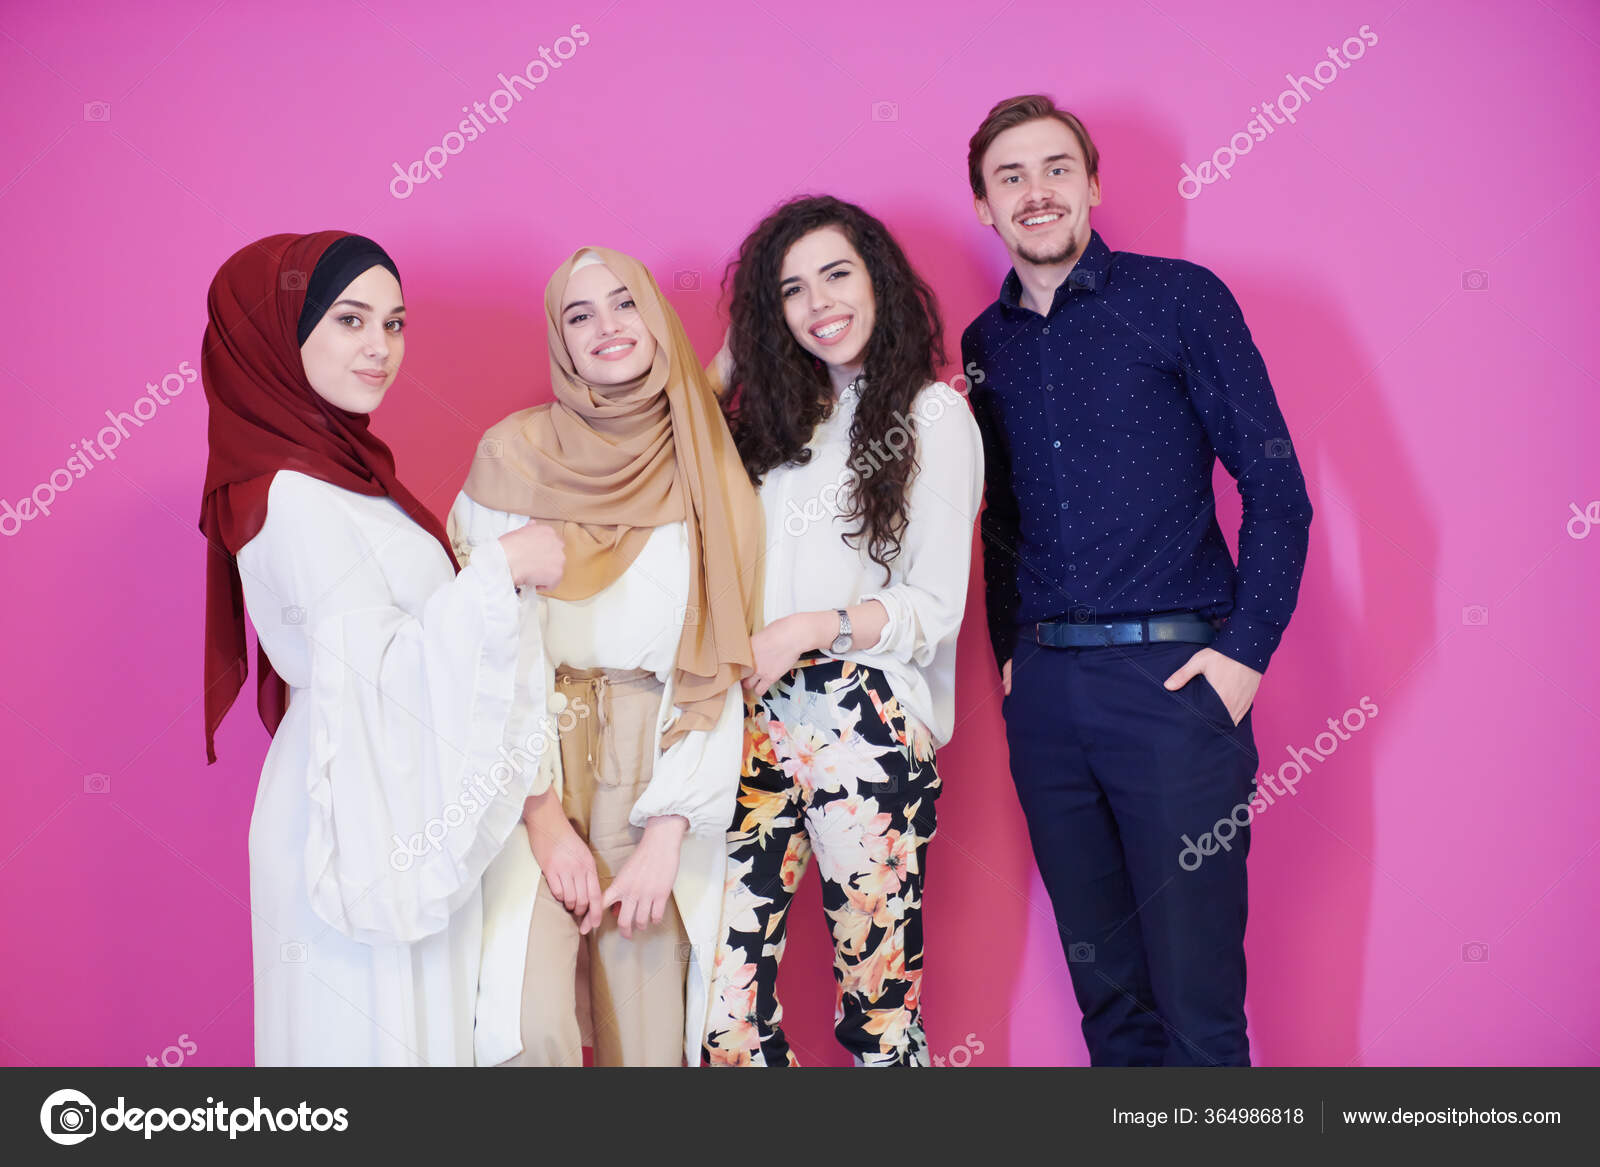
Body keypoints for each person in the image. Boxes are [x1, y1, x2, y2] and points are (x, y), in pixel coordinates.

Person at [961, 95, 1315, 1066]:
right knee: (1111, 1014)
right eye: (1010, 177)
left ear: (1092, 185)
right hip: (1046, 700)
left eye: (1055, 169)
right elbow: (1001, 523)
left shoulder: (1180, 298)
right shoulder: (981, 347)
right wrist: (1008, 662)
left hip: (1174, 689)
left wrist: (1241, 659)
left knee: (1199, 1017)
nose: (1037, 193)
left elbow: (1277, 491)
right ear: (984, 208)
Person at [199, 231, 565, 1065]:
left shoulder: (345, 475)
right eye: (350, 319)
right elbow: (362, 663)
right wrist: (501, 568)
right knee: (361, 1041)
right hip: (351, 807)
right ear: (277, 338)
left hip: (398, 791)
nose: (380, 347)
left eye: (395, 323)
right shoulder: (284, 492)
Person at [454, 246, 764, 1067]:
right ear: (558, 339)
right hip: (531, 761)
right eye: (578, 314)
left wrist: (667, 833)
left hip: (656, 761)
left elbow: (717, 656)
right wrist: (545, 819)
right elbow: (481, 650)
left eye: (625, 304)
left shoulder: (705, 460)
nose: (606, 327)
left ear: (657, 317)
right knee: (528, 1025)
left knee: (650, 1031)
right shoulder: (511, 455)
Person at [701, 196, 983, 1066]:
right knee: (720, 1013)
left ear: (878, 280)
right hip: (747, 722)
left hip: (863, 720)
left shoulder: (933, 414)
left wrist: (808, 628)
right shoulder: (773, 427)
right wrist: (732, 359)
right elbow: (667, 448)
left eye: (836, 274)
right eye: (790, 290)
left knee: (879, 1009)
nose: (819, 301)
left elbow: (936, 607)